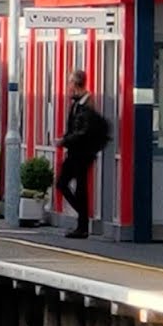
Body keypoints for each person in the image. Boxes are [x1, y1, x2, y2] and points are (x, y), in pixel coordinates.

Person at [56, 70, 110, 239]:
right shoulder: (77, 104)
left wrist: (64, 141)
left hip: (82, 152)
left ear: (76, 84)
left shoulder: (86, 106)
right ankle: (83, 220)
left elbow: (83, 131)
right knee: (65, 184)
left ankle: (83, 223)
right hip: (76, 151)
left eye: (70, 82)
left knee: (75, 187)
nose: (68, 86)